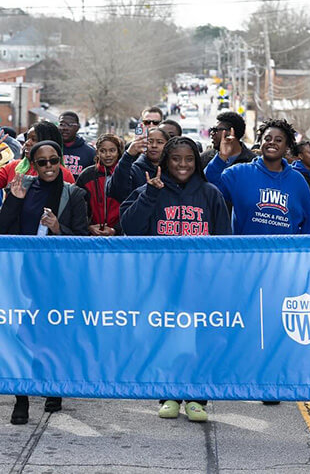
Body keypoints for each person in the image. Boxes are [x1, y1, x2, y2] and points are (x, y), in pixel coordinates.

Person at [120, 136, 231, 422]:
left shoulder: (210, 194)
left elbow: (225, 242)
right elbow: (129, 227)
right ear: (166, 162)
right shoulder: (151, 190)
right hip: (161, 281)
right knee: (166, 338)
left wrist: (219, 279)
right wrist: (150, 195)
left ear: (196, 162)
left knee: (200, 340)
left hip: (200, 283)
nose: (183, 165)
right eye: (176, 159)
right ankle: (169, 393)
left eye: (189, 159)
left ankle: (197, 398)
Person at [0, 140, 89, 424]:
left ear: (62, 162)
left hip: (58, 279)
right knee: (21, 337)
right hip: (23, 275)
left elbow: (82, 240)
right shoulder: (21, 187)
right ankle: (21, 399)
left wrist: (58, 228)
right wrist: (15, 200)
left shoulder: (75, 194)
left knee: (54, 333)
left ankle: (53, 387)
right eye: (42, 162)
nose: (49, 167)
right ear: (33, 163)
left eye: (54, 161)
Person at [205, 118, 310, 236]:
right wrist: (221, 157)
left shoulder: (298, 181)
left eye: (278, 140)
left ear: (287, 147)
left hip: (284, 253)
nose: (272, 142)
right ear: (260, 143)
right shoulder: (239, 173)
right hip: (246, 252)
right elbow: (209, 183)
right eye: (267, 139)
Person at [0, 121, 74, 196]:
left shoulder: (63, 174)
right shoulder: (13, 167)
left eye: (34, 139)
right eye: (27, 139)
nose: (27, 143)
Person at [76, 134, 124, 236]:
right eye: (103, 151)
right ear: (97, 152)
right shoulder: (86, 175)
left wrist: (116, 229)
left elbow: (132, 208)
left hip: (119, 236)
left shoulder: (126, 175)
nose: (108, 155)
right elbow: (77, 207)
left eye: (112, 150)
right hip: (92, 234)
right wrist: (88, 226)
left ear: (119, 152)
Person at [107, 126, 170, 203]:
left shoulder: (172, 170)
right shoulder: (134, 169)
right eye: (149, 141)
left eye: (159, 142)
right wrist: (128, 155)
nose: (154, 146)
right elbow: (116, 191)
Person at [58, 112, 95, 176]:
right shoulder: (52, 149)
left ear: (77, 128)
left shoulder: (90, 152)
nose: (65, 128)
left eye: (70, 125)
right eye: (62, 124)